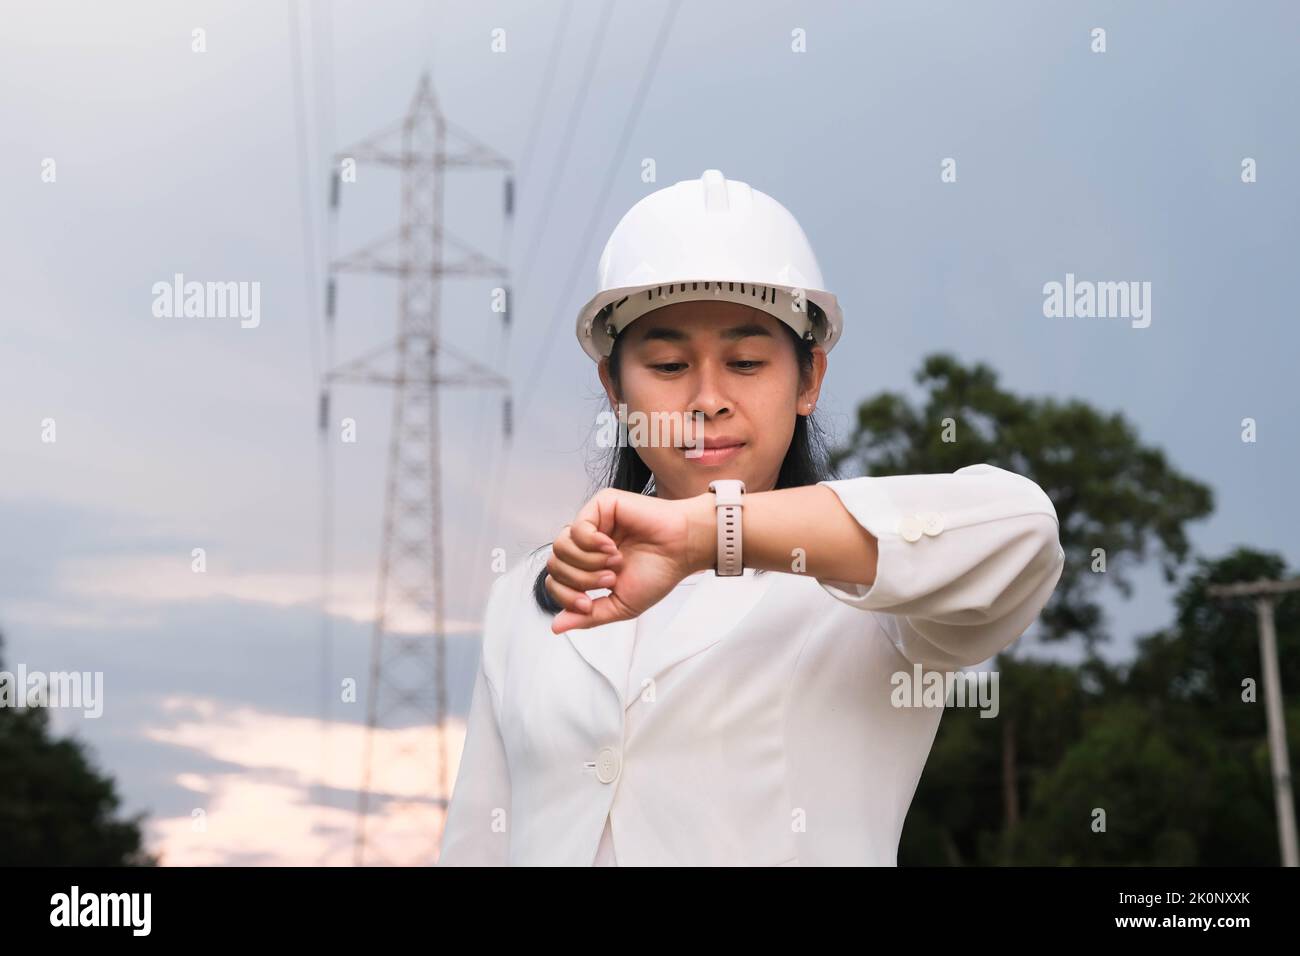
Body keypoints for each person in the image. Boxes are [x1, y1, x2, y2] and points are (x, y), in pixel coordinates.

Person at [438, 169, 1064, 866]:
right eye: (670, 364)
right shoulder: (523, 599)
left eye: (745, 360)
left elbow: (1024, 531)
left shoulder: (870, 589)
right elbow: (476, 846)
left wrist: (709, 535)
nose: (708, 398)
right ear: (614, 386)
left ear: (810, 380)